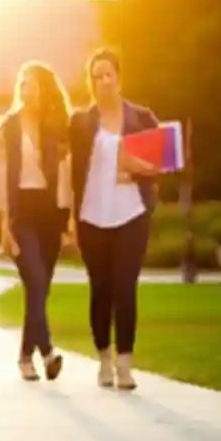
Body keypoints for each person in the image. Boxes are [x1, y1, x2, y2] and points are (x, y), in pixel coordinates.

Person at [69, 48, 160, 391]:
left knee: (125, 287)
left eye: (108, 74)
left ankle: (125, 364)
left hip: (132, 214)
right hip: (92, 217)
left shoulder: (141, 117)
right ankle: (104, 359)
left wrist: (138, 170)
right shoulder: (81, 122)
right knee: (101, 290)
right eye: (97, 76)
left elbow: (162, 162)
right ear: (91, 82)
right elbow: (71, 168)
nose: (103, 81)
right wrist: (68, 216)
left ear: (118, 77)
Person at [0, 61, 73, 382]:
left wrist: (68, 222)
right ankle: (48, 351)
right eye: (23, 83)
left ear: (44, 90)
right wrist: (2, 227)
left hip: (50, 212)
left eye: (33, 84)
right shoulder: (7, 126)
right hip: (21, 212)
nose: (27, 89)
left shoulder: (55, 127)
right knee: (37, 281)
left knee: (38, 290)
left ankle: (27, 357)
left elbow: (68, 175)